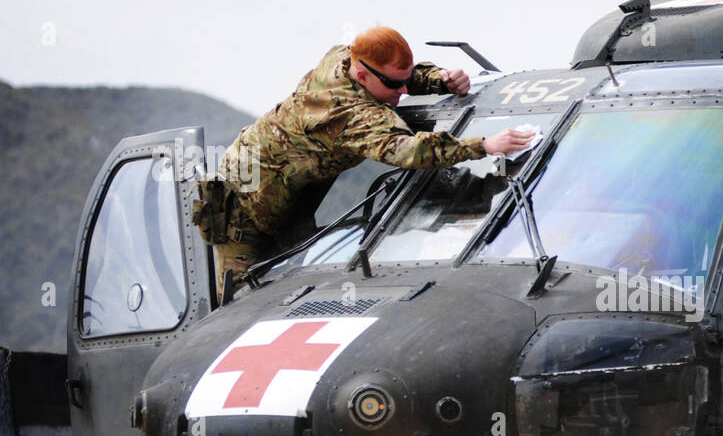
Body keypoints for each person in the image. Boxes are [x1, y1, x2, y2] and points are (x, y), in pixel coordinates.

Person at [196, 26, 535, 295]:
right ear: (362, 77)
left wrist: (438, 78)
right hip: (242, 202)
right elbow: (407, 150)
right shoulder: (350, 115)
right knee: (242, 303)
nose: (401, 92)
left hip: (291, 191)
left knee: (300, 283)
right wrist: (484, 145)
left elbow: (395, 74)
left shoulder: (345, 57)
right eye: (393, 85)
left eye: (404, 83)